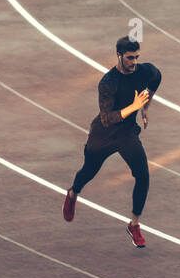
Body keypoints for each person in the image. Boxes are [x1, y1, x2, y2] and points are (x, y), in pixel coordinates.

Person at [63, 37, 161, 247]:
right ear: (119, 55)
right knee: (88, 171)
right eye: (129, 58)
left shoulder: (145, 71)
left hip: (126, 134)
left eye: (136, 57)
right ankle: (73, 193)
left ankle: (134, 225)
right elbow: (106, 118)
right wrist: (133, 106)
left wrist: (145, 107)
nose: (134, 62)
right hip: (103, 134)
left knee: (143, 174)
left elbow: (156, 78)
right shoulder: (108, 82)